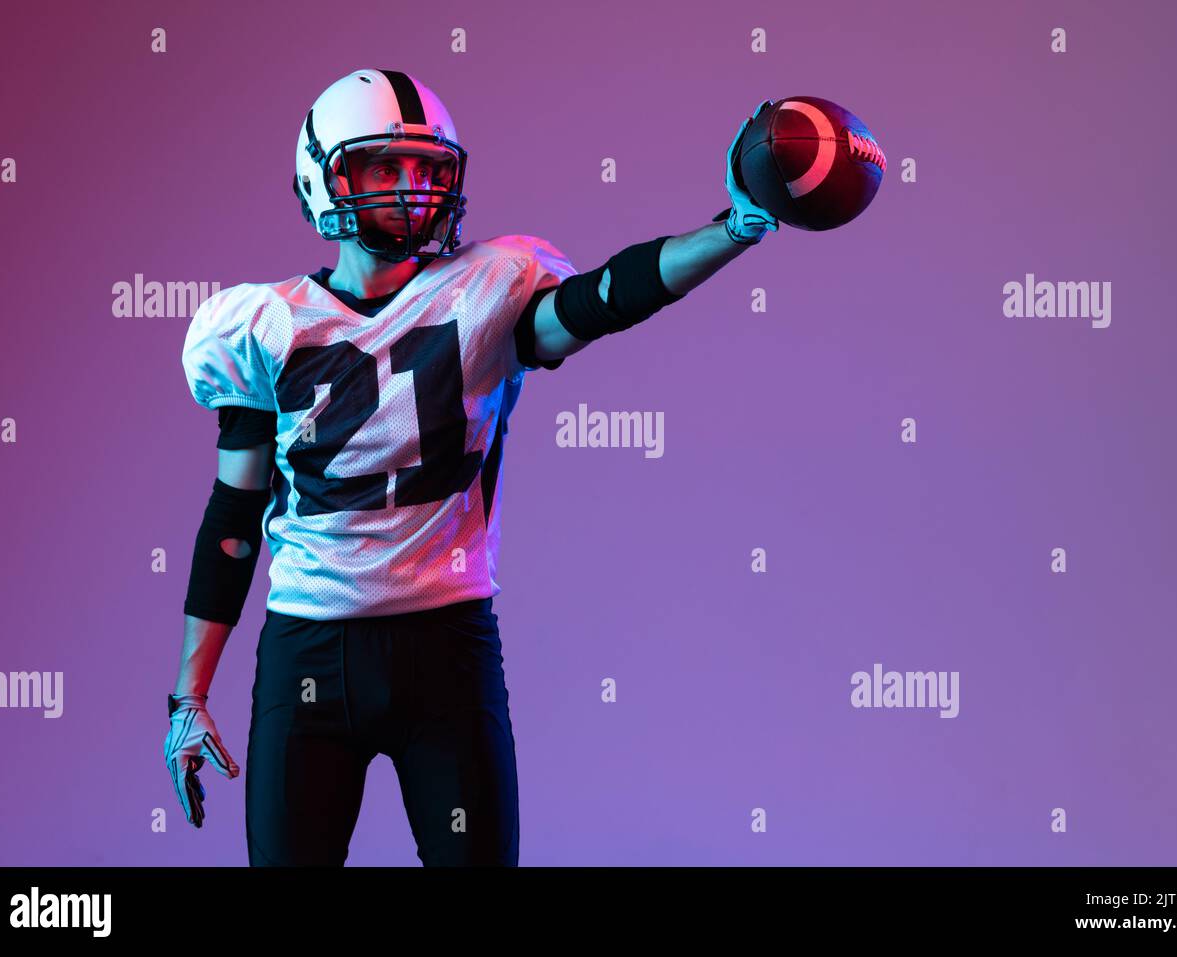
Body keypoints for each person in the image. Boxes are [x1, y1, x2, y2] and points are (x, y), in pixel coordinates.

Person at [164, 68, 779, 866]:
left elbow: (606, 299)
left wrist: (731, 228)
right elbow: (233, 521)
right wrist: (190, 692)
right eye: (385, 166)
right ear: (327, 176)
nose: (411, 188)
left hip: (445, 650)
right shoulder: (260, 325)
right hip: (308, 658)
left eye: (427, 169)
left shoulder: (487, 290)